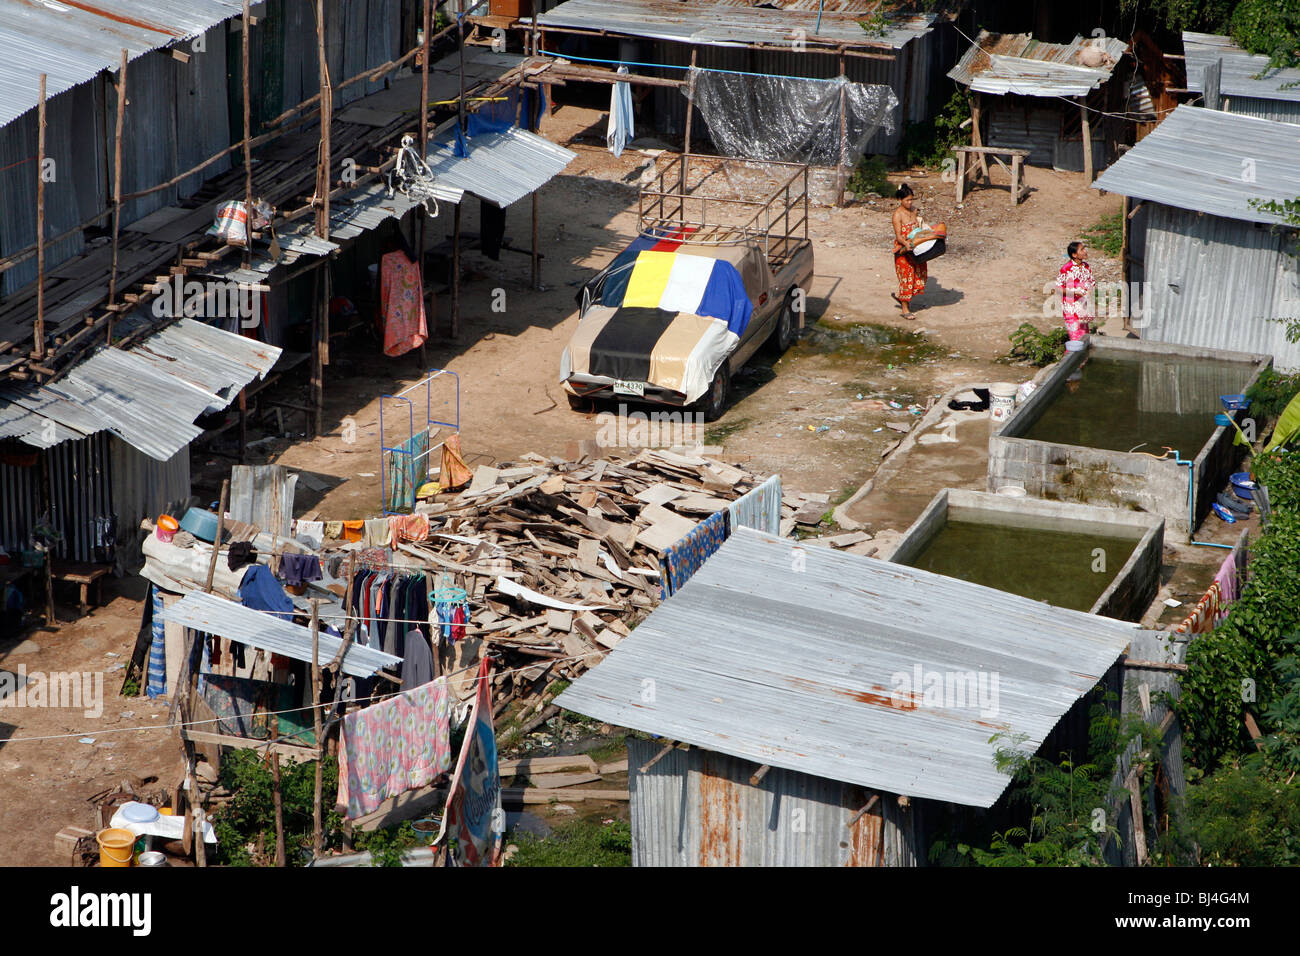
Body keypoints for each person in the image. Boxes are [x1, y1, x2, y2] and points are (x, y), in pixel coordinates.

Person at [891, 184, 926, 319]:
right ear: (900, 200)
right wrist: (906, 243)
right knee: (906, 278)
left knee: (917, 275)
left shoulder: (914, 210)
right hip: (903, 250)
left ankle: (905, 301)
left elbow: (918, 226)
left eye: (911, 200)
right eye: (907, 200)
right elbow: (899, 236)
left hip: (915, 248)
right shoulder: (897, 215)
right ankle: (905, 309)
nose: (910, 202)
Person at [1055, 240, 1096, 342]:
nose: (1085, 251)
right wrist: (1075, 293)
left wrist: (1090, 291)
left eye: (1084, 249)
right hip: (1071, 309)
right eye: (1082, 249)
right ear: (1074, 255)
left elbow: (1092, 282)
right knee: (1075, 339)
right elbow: (1058, 289)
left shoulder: (1086, 266)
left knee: (1084, 337)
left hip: (1083, 307)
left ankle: (1083, 358)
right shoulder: (1066, 269)